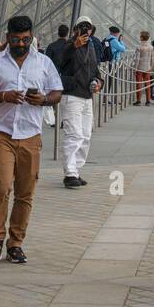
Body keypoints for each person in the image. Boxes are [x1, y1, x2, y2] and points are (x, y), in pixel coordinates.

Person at [0, 15, 63, 264]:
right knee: (1, 186)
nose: (22, 44)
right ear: (7, 37)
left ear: (32, 36)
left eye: (26, 39)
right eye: (16, 39)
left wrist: (43, 100)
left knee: (25, 192)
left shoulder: (43, 62)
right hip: (2, 132)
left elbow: (57, 92)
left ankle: (15, 243)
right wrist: (4, 95)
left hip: (31, 134)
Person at [57, 21, 102, 189]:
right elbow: (59, 62)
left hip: (87, 95)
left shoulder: (91, 46)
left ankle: (75, 169)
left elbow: (95, 70)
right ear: (75, 29)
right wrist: (73, 46)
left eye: (88, 27)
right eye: (82, 26)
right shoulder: (67, 45)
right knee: (74, 134)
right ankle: (69, 173)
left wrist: (98, 83)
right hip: (72, 95)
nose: (85, 30)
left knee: (85, 135)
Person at [133, 31, 154, 105]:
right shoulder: (151, 47)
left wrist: (135, 68)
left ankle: (138, 100)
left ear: (141, 37)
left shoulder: (139, 47)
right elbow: (152, 58)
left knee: (139, 84)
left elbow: (137, 59)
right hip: (147, 67)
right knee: (148, 83)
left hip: (139, 68)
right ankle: (148, 100)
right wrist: (151, 66)